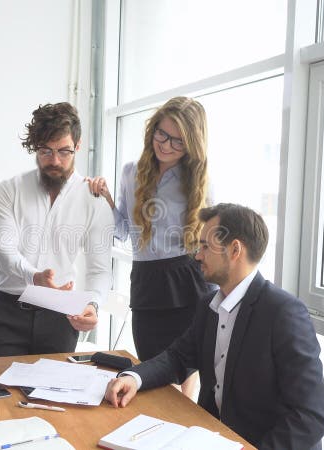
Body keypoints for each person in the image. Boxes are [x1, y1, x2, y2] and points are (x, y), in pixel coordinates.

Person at [105, 204, 324, 450]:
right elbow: (177, 358)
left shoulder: (284, 313)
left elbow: (311, 416)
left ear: (234, 250)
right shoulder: (208, 305)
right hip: (213, 437)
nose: (197, 255)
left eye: (204, 246)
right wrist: (134, 378)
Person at [86, 96, 213, 398]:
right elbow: (121, 229)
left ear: (192, 145)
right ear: (152, 130)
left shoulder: (197, 179)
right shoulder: (132, 171)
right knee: (152, 370)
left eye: (178, 142)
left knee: (187, 373)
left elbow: (210, 232)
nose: (166, 145)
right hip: (147, 280)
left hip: (188, 280)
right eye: (162, 134)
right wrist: (103, 197)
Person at [0, 102, 114, 356]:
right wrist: (34, 277)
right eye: (45, 151)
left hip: (61, 317)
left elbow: (100, 270)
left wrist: (94, 305)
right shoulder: (8, 190)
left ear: (78, 145)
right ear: (35, 147)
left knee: (54, 395)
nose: (55, 160)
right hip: (9, 312)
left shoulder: (94, 199)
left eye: (64, 151)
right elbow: (4, 251)